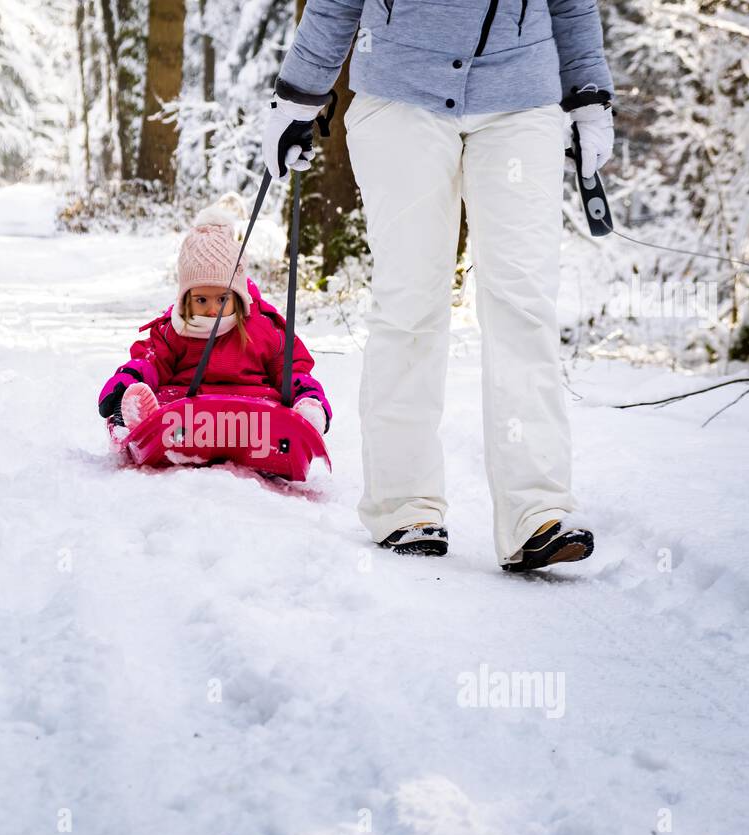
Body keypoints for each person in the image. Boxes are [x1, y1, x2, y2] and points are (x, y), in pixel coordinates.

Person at [261, 0, 614, 571]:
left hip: (522, 100)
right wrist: (300, 94)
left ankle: (538, 511)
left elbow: (571, 4)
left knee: (523, 300)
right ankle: (403, 504)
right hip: (401, 96)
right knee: (410, 298)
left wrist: (590, 95)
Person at [98, 205, 331, 436]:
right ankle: (137, 418)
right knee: (159, 400)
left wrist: (307, 398)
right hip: (186, 415)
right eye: (201, 300)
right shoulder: (176, 330)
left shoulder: (262, 328)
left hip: (255, 416)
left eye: (222, 299)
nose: (212, 310)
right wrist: (128, 382)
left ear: (238, 295)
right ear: (186, 299)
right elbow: (149, 361)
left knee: (282, 406)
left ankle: (300, 425)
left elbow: (292, 369)